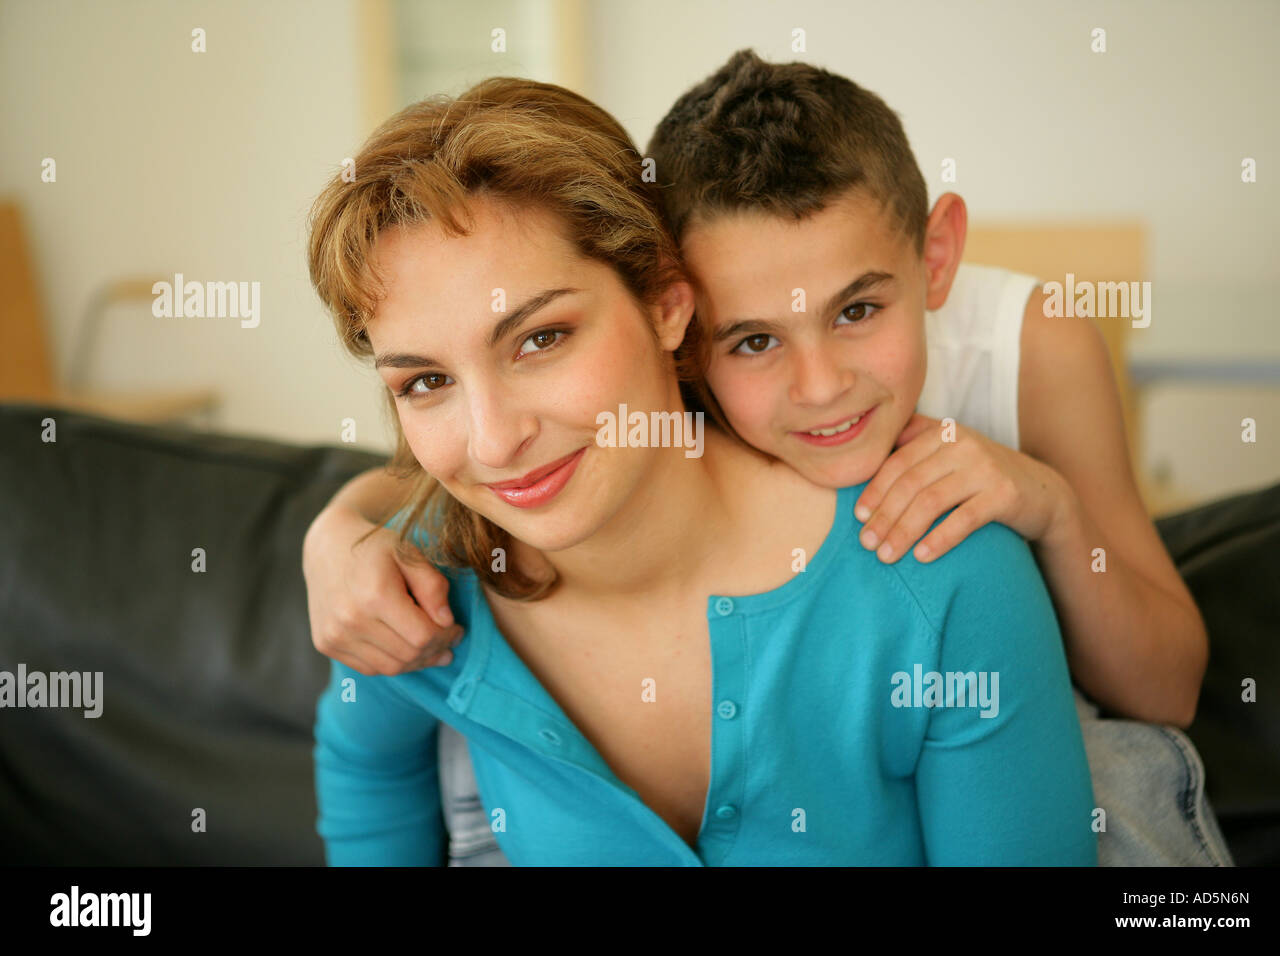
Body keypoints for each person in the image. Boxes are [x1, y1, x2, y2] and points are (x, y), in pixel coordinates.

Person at [305, 52, 1232, 866]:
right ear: (705, 326)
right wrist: (338, 527)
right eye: (424, 382)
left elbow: (1166, 682)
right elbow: (364, 750)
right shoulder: (423, 581)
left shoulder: (968, 512)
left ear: (667, 310)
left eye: (542, 339)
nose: (820, 387)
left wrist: (1055, 509)